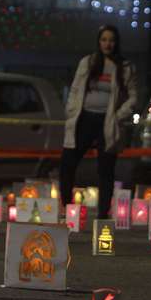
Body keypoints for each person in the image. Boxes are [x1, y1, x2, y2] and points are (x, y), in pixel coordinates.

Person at [59, 25, 139, 219]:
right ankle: (67, 208)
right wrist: (71, 112)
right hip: (84, 118)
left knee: (106, 169)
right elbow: (75, 90)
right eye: (104, 39)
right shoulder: (87, 62)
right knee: (67, 163)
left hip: (108, 122)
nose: (107, 43)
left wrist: (119, 115)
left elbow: (133, 97)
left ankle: (103, 214)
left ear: (116, 42)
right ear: (98, 41)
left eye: (111, 40)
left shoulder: (125, 67)